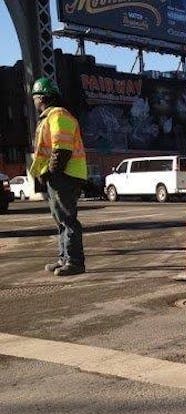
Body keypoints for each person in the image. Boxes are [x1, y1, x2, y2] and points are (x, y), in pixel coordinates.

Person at [29, 77, 87, 276]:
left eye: (35, 97)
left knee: (68, 219)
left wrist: (52, 173)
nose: (34, 101)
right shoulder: (50, 116)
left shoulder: (58, 115)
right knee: (61, 219)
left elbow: (61, 150)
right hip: (61, 175)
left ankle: (75, 262)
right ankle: (64, 258)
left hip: (65, 175)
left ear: (43, 98)